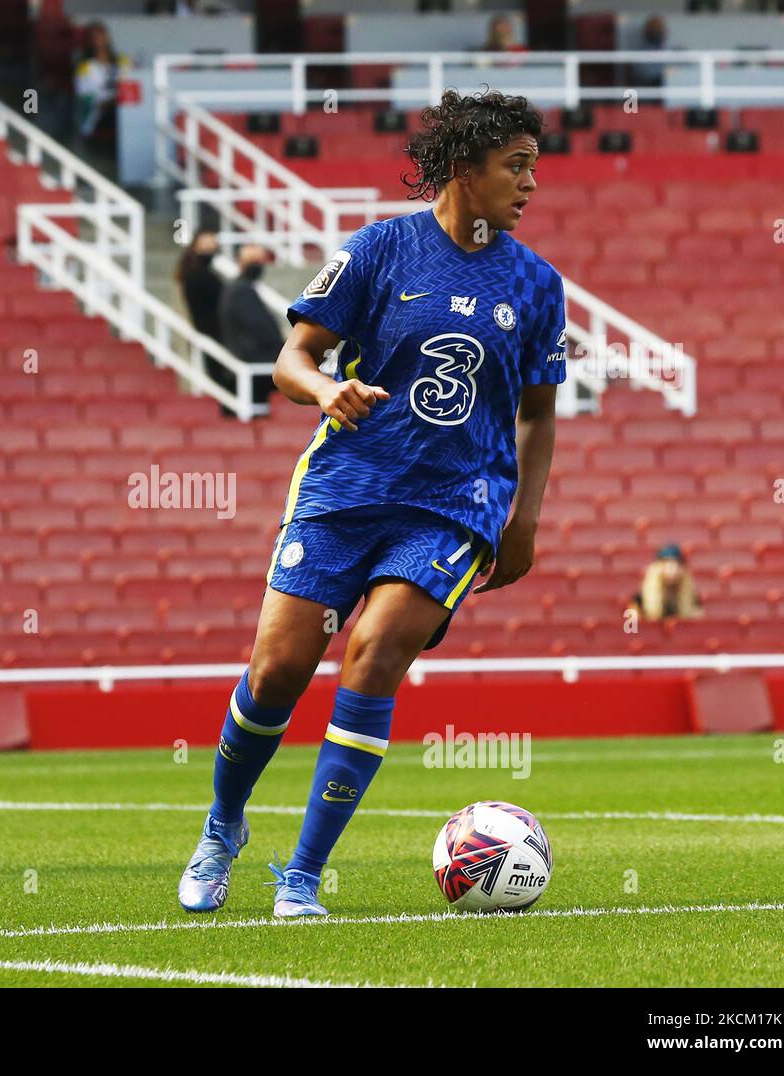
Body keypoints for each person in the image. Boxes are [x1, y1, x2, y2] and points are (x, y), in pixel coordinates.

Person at [177, 88, 566, 917]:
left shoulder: (536, 285)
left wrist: (523, 519)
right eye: (516, 166)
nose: (531, 185)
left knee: (375, 652)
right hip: (346, 487)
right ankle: (223, 826)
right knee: (278, 670)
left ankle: (303, 876)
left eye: (534, 167)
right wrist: (325, 388)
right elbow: (293, 356)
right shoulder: (382, 249)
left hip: (454, 505)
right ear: (464, 169)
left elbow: (537, 412)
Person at [216, 244, 280, 412]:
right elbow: (261, 329)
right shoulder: (240, 291)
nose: (258, 265)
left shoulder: (243, 289)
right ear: (240, 262)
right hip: (254, 362)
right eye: (252, 261)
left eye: (260, 260)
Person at [74, 21, 129, 143]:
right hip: (99, 116)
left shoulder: (122, 61)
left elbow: (131, 82)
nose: (99, 40)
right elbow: (84, 99)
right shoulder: (85, 67)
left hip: (124, 111)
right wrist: (109, 102)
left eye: (102, 35)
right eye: (95, 37)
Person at [630, 544, 703, 621]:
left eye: (676, 565)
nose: (672, 569)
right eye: (667, 564)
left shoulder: (690, 593)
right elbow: (633, 613)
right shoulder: (643, 593)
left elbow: (697, 613)